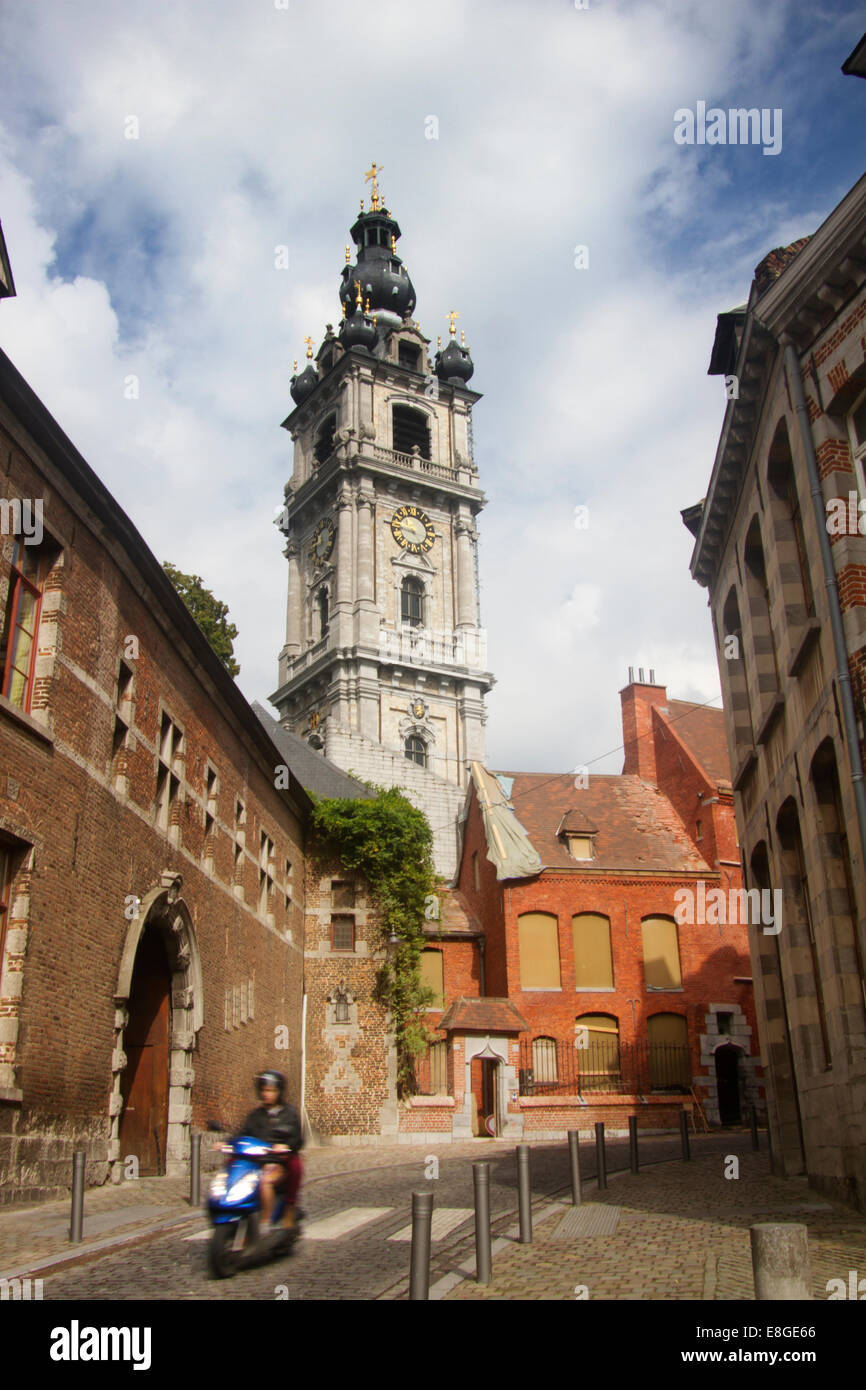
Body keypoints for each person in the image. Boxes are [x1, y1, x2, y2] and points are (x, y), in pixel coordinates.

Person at [236, 1070, 304, 1229]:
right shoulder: (256, 1115)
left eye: (271, 1090)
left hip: (277, 1162)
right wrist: (227, 1143)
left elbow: (297, 1138)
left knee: (265, 1180)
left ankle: (265, 1222)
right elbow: (243, 1133)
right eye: (265, 1090)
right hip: (257, 1162)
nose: (267, 1094)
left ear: (279, 1092)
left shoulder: (289, 1114)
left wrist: (286, 1146)